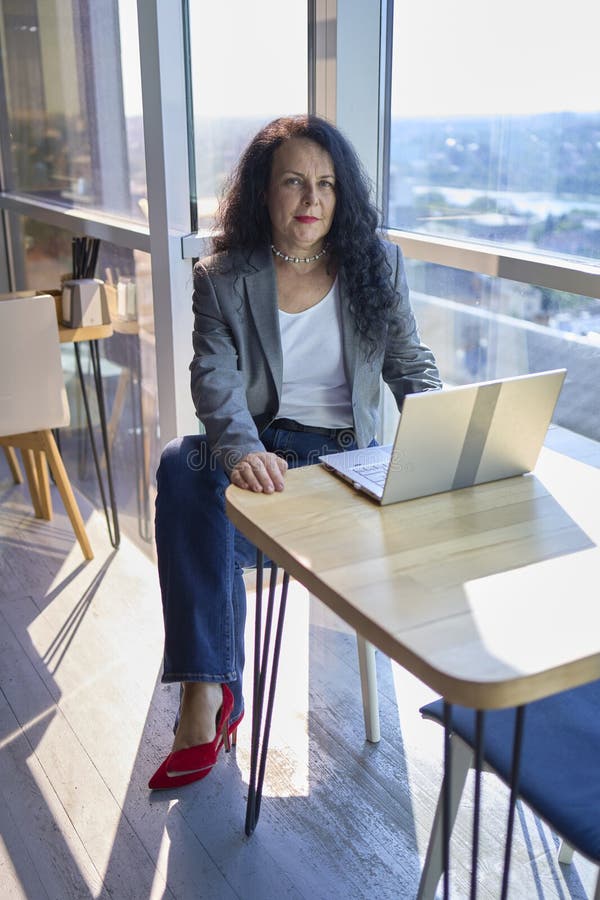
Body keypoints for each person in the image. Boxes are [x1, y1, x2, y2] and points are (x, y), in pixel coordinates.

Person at [149, 115, 441, 789]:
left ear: (342, 196)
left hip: (345, 466)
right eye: (293, 182)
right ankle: (207, 692)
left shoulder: (377, 262)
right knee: (182, 465)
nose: (312, 199)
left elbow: (410, 365)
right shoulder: (223, 277)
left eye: (326, 184)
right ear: (264, 191)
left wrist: (440, 434)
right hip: (263, 458)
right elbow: (214, 381)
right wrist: (241, 449)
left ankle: (211, 692)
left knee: (203, 515)